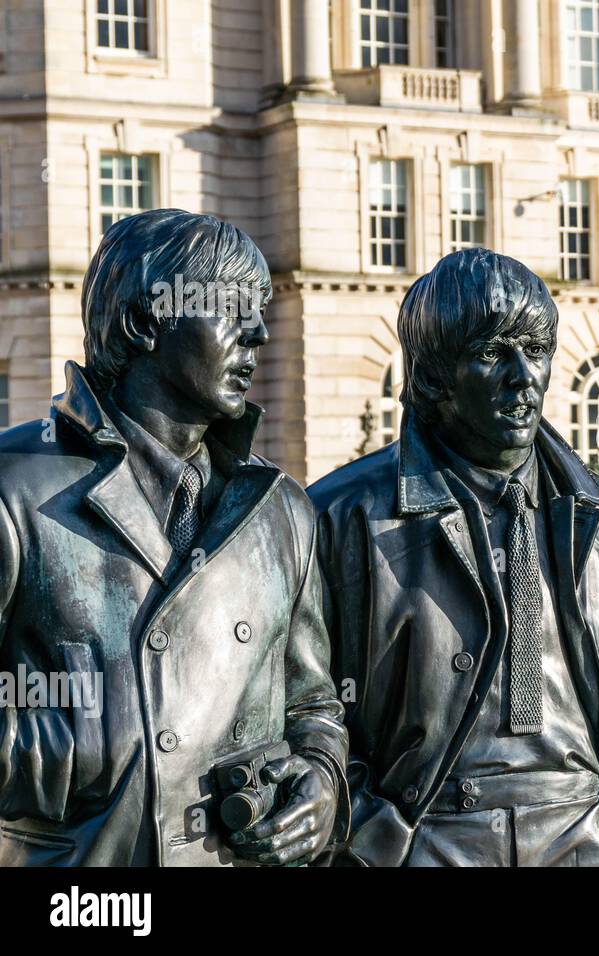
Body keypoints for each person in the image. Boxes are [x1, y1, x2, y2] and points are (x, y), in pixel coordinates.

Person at [0, 209, 347, 866]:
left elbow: (314, 702)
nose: (260, 332)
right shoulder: (16, 489)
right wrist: (68, 746)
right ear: (143, 322)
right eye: (234, 309)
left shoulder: (281, 510)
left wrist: (320, 786)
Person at [311, 248, 599, 866]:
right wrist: (373, 836)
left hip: (585, 834)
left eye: (536, 349)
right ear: (434, 375)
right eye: (492, 352)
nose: (523, 376)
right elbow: (309, 703)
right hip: (431, 836)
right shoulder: (345, 514)